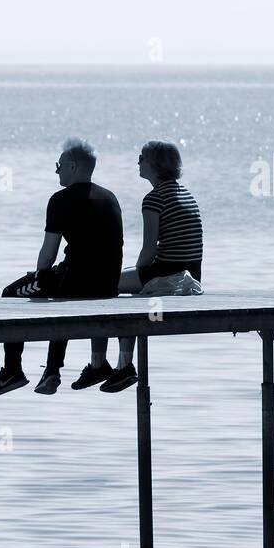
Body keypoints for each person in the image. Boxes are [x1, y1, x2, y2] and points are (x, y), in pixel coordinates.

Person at [0, 137, 122, 397]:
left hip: (74, 284)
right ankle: (51, 371)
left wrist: (39, 275)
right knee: (63, 290)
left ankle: (13, 370)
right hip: (108, 284)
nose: (56, 170)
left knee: (10, 295)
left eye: (58, 165)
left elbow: (48, 255)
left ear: (71, 166)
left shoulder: (60, 200)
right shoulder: (110, 197)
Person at [87, 139, 204, 392]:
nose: (137, 162)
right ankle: (119, 366)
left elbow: (149, 250)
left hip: (167, 272)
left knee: (103, 285)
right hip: (191, 275)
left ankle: (106, 364)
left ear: (155, 165)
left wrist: (137, 274)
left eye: (142, 158)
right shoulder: (185, 193)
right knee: (122, 284)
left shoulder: (154, 199)